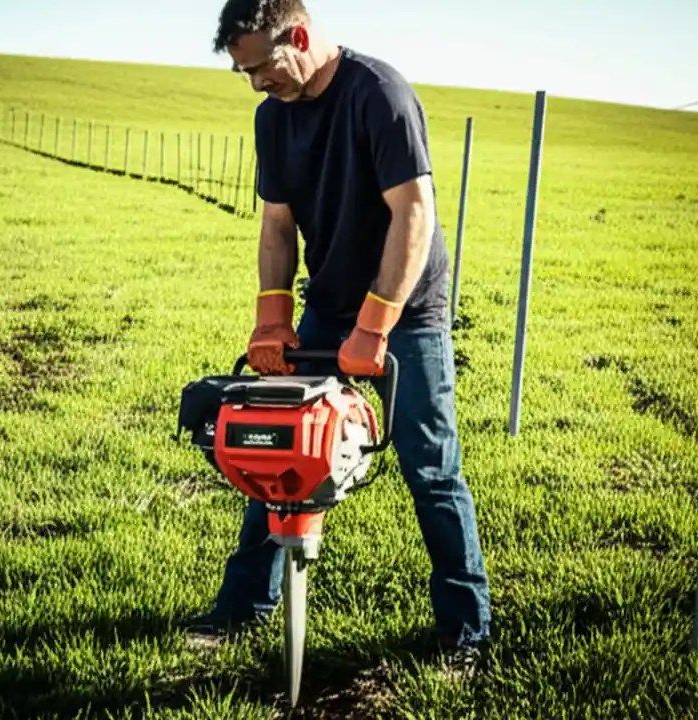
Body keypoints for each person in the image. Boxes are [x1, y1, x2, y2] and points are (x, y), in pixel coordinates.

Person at [188, 0, 493, 669]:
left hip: (406, 311)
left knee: (430, 467)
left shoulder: (378, 95)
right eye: (243, 73)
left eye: (261, 67)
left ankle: (465, 633)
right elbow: (276, 225)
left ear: (298, 35)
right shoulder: (273, 117)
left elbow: (414, 214)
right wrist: (272, 318)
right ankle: (242, 608)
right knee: (277, 459)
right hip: (325, 307)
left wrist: (375, 325)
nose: (256, 84)